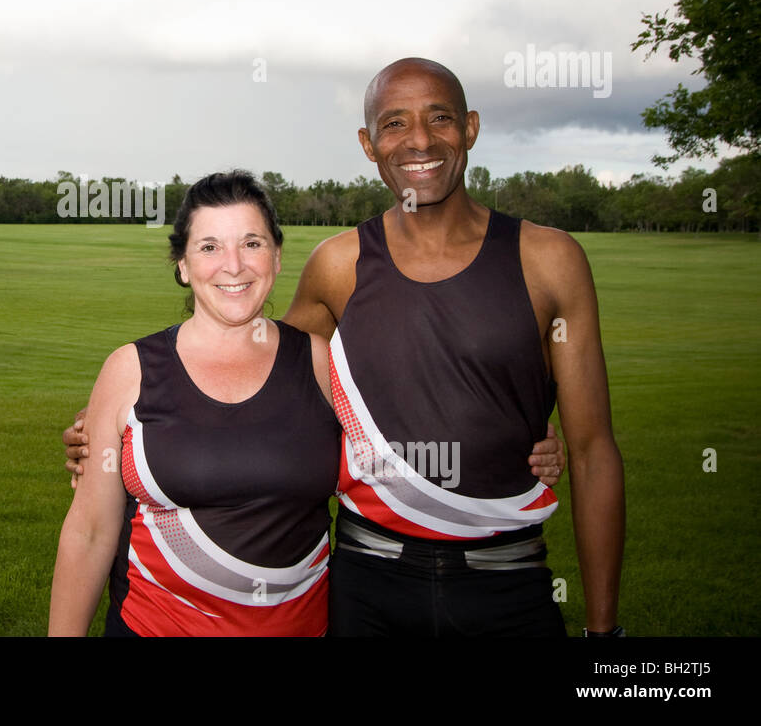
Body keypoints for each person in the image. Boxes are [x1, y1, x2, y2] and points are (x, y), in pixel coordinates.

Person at [286, 57, 625, 636]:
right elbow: (268, 390)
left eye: (439, 117)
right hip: (367, 586)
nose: (420, 140)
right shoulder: (338, 265)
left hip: (509, 585)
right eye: (395, 123)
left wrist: (604, 634)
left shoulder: (549, 260)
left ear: (470, 128)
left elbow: (594, 452)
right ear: (368, 144)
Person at [49, 171, 342, 636]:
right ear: (183, 265)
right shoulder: (130, 371)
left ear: (277, 256)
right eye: (209, 247)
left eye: (252, 243)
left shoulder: (323, 363)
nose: (234, 265)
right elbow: (89, 532)